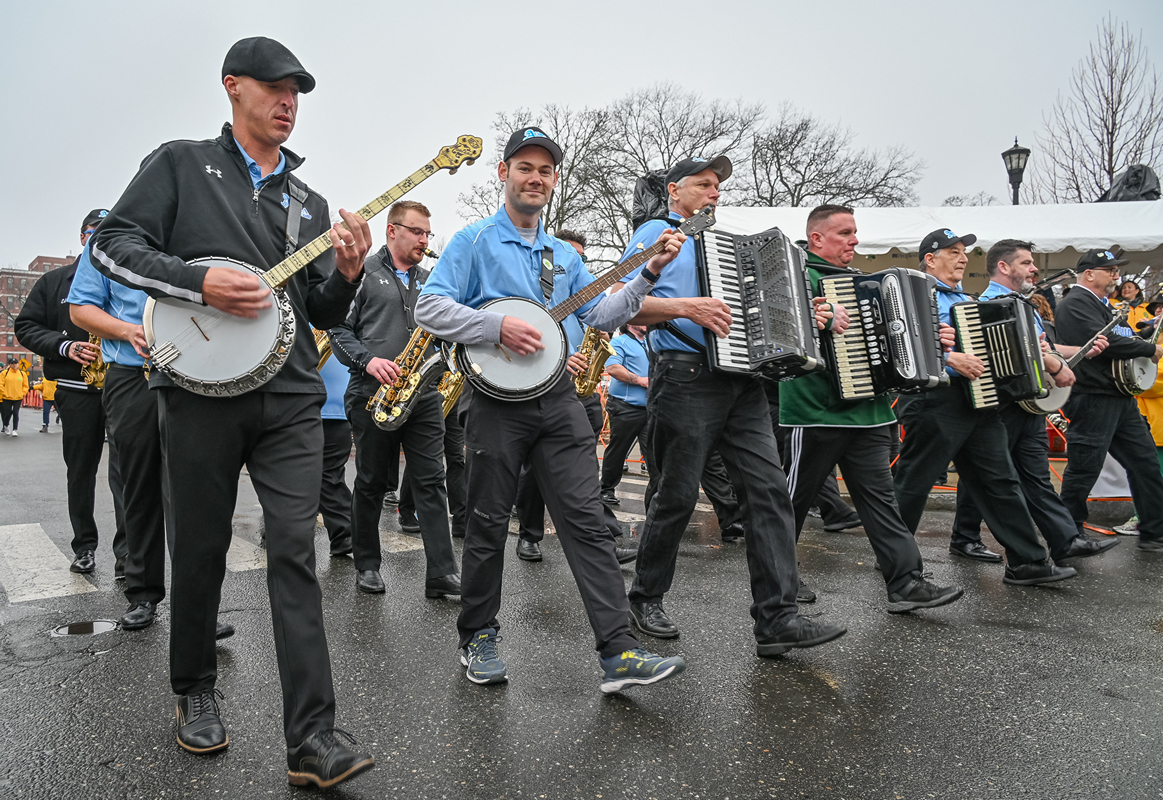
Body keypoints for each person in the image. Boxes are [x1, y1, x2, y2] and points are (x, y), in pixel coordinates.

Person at [87, 37, 374, 787]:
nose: (288, 101)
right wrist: (195, 282)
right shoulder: (181, 164)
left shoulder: (308, 203)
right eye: (274, 87)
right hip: (198, 395)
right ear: (232, 87)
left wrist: (345, 276)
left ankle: (312, 736)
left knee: (292, 551)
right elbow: (114, 246)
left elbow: (317, 307)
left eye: (297, 91)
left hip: (289, 396)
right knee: (203, 548)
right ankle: (194, 690)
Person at [415, 126, 686, 693]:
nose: (535, 178)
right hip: (494, 401)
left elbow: (604, 315)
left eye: (545, 170)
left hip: (561, 400)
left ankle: (618, 653)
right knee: (488, 523)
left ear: (553, 180)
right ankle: (479, 637)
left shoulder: (565, 255)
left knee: (587, 523)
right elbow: (430, 307)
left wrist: (650, 274)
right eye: (524, 167)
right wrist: (495, 324)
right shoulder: (473, 242)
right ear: (504, 174)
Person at [611, 154, 848, 654]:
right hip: (684, 375)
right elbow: (621, 302)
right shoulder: (657, 230)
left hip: (741, 380)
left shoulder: (726, 245)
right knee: (674, 498)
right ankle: (645, 595)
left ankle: (777, 618)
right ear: (675, 191)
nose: (715, 192)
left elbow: (760, 312)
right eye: (704, 184)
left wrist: (809, 312)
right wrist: (684, 307)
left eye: (718, 185)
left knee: (769, 494)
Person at [780, 205, 963, 612]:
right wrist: (815, 319)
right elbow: (777, 333)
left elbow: (896, 343)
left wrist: (934, 339)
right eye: (845, 233)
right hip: (813, 409)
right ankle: (779, 579)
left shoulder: (862, 283)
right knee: (790, 501)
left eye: (855, 232)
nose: (854, 240)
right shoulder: (794, 275)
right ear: (817, 239)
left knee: (881, 501)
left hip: (869, 411)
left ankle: (906, 582)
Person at [892, 229, 1077, 586]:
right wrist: (949, 358)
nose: (963, 258)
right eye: (953, 252)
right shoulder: (913, 293)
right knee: (914, 483)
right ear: (930, 259)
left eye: (964, 252)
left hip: (979, 400)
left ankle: (1028, 562)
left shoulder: (967, 299)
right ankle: (895, 558)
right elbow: (904, 344)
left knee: (1000, 481)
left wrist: (1029, 351)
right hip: (935, 400)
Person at [951, 239, 1118, 566]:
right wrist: (1052, 364)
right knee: (989, 476)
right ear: (1003, 267)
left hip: (1029, 404)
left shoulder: (1024, 303)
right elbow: (1017, 352)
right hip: (1000, 403)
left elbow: (1045, 346)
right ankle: (965, 536)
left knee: (1036, 475)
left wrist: (1066, 355)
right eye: (1026, 262)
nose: (1034, 268)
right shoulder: (986, 305)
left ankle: (1065, 540)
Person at [329, 199, 461, 599]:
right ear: (392, 230)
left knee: (431, 481)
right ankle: (367, 564)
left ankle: (442, 573)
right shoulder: (362, 272)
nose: (424, 239)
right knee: (370, 481)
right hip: (372, 393)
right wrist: (369, 362)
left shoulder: (431, 280)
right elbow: (337, 328)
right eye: (417, 231)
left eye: (427, 233)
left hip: (422, 394)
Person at [512, 229, 636, 564]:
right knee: (537, 467)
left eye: (581, 257)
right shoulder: (539, 290)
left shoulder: (581, 289)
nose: (577, 261)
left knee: (582, 465)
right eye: (572, 256)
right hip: (544, 383)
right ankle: (529, 534)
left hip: (580, 387)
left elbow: (600, 316)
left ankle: (604, 539)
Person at [15, 210, 128, 576]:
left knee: (127, 473)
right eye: (95, 232)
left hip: (122, 386)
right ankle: (84, 547)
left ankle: (127, 555)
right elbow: (26, 326)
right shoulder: (53, 281)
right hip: (76, 389)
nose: (101, 237)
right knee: (80, 472)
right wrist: (64, 347)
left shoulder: (128, 277)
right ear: (82, 237)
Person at [1053, 249, 1163, 551]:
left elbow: (1122, 335)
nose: (1117, 276)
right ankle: (1069, 534)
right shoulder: (1075, 303)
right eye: (1110, 270)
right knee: (1084, 467)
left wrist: (1146, 333)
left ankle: (1155, 530)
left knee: (1145, 463)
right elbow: (1102, 343)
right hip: (1093, 396)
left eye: (1116, 270)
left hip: (1118, 396)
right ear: (1089, 274)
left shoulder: (1099, 304)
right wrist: (1146, 349)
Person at [600, 323, 650, 505]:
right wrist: (640, 380)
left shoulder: (649, 343)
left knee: (654, 452)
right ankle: (606, 490)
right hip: (625, 407)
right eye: (642, 318)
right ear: (630, 323)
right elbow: (613, 369)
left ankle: (658, 492)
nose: (647, 322)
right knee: (618, 451)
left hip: (649, 409)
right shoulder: (620, 342)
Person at [316, 337, 353, 557]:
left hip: (306, 406)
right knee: (331, 475)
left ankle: (344, 533)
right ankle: (344, 534)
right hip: (338, 407)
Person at [0, 357, 29, 435]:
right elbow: (1, 384)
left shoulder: (22, 374)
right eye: (12, 364)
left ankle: (15, 429)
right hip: (7, 397)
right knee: (7, 412)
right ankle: (6, 425)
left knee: (16, 412)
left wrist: (22, 393)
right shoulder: (4, 373)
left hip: (18, 397)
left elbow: (25, 386)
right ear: (9, 365)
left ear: (18, 364)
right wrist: (4, 392)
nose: (14, 365)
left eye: (15, 363)